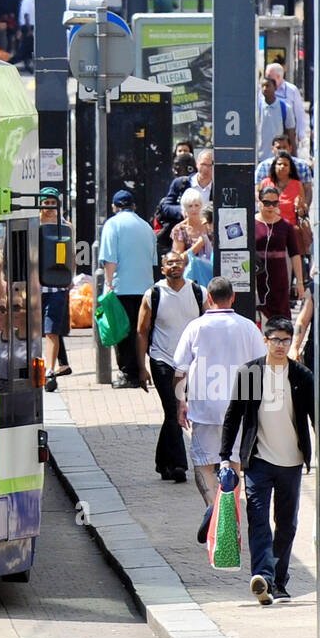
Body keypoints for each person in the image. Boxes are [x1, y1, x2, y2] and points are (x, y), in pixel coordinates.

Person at [221, 315, 315, 604]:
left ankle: (279, 581)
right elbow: (234, 415)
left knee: (286, 524)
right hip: (258, 461)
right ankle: (263, 576)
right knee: (258, 519)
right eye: (275, 339)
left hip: (292, 462)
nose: (280, 345)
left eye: (286, 340)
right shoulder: (251, 373)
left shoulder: (300, 375)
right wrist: (225, 457)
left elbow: (315, 417)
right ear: (265, 340)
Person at [174, 276, 265, 539]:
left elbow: (179, 370)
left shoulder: (195, 327)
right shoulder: (248, 327)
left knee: (204, 464)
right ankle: (229, 516)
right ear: (233, 297)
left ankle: (212, 508)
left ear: (209, 299)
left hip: (203, 407)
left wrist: (181, 402)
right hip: (238, 409)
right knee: (233, 462)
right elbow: (260, 368)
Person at [137, 251, 205, 482]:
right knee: (173, 409)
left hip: (190, 363)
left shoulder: (198, 292)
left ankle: (162, 462)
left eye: (178, 262)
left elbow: (208, 325)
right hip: (161, 360)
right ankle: (178, 465)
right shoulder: (153, 294)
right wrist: (141, 367)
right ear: (163, 268)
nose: (174, 265)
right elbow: (142, 331)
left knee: (171, 414)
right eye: (169, 263)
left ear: (185, 265)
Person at [98, 188, 157, 388]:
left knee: (122, 333)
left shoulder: (112, 225)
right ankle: (144, 370)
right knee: (142, 332)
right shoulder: (146, 227)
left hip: (121, 287)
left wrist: (108, 285)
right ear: (133, 207)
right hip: (145, 288)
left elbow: (110, 259)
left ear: (114, 207)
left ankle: (128, 374)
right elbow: (153, 260)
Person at [255, 184, 305, 323]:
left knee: (281, 320)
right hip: (256, 278)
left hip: (279, 279)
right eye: (266, 202)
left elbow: (295, 254)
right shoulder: (251, 223)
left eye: (274, 202)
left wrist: (300, 282)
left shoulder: (286, 225)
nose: (270, 206)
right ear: (259, 202)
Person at [40, 188, 72, 391]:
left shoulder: (66, 227)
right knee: (34, 332)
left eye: (54, 204)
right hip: (35, 288)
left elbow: (71, 256)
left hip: (57, 287)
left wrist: (69, 280)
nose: (50, 208)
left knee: (52, 330)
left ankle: (50, 371)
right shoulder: (34, 225)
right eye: (46, 204)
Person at [255, 133, 312, 209]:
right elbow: (257, 191)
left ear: (290, 148)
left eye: (284, 147)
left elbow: (307, 190)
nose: (281, 150)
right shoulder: (263, 167)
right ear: (272, 149)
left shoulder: (302, 166)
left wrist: (304, 209)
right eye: (278, 147)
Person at [265, 61, 308, 154]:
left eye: (269, 77)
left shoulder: (291, 91)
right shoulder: (263, 91)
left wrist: (301, 136)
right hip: (267, 138)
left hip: (286, 137)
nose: (266, 79)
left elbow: (300, 115)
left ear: (278, 77)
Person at [259, 150, 306, 231]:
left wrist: (300, 208)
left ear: (290, 168)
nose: (282, 167)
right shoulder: (265, 183)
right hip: (268, 230)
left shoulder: (297, 185)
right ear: (274, 166)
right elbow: (259, 207)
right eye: (279, 164)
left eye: (285, 164)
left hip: (290, 231)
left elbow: (302, 212)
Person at [257, 75, 297, 160]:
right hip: (260, 157)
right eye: (263, 86)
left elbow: (291, 134)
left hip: (279, 157)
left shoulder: (285, 108)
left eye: (268, 86)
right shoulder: (257, 108)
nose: (265, 88)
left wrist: (294, 157)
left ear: (275, 87)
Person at [171, 187, 212, 262]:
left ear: (201, 206)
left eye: (196, 205)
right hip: (190, 271)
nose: (194, 209)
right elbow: (178, 259)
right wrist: (199, 244)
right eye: (190, 206)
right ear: (184, 209)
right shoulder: (179, 229)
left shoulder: (208, 224)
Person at [11, 0, 34, 73]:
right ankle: (27, 66)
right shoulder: (31, 1)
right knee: (28, 49)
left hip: (27, 27)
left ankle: (8, 63)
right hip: (30, 27)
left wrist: (27, 30)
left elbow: (26, 15)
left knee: (23, 49)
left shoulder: (25, 1)